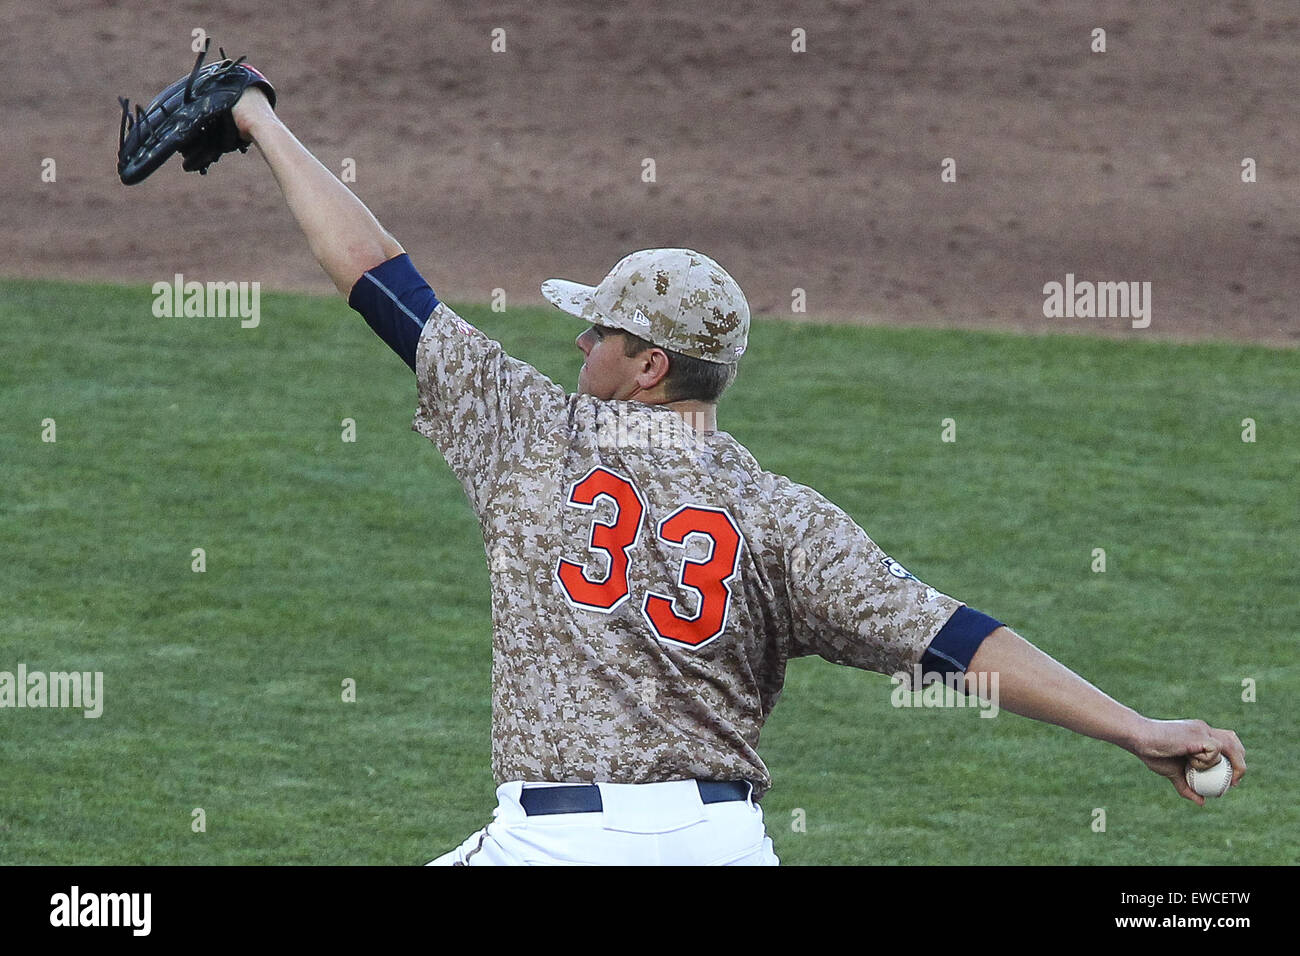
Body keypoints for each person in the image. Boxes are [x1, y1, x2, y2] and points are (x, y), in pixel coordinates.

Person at [227, 86, 1246, 866]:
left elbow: (372, 271)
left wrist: (256, 114)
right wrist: (1132, 726)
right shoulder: (780, 516)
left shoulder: (532, 431)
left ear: (648, 365)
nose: (581, 339)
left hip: (553, 845)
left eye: (603, 331)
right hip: (722, 847)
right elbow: (955, 641)